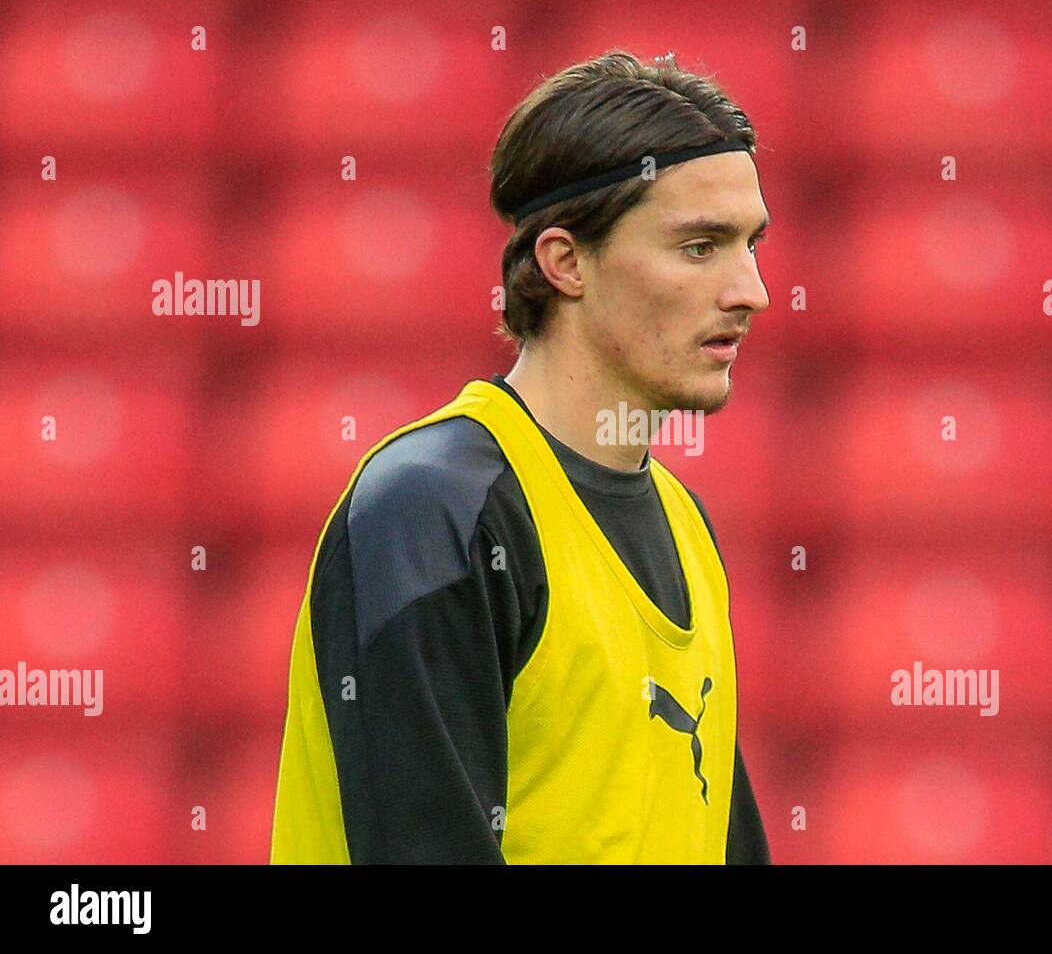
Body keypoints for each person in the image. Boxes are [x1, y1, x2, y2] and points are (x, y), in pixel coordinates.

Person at [271, 48, 772, 863]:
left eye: (751, 244)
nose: (750, 289)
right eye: (699, 246)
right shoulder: (433, 510)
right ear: (565, 262)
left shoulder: (686, 525)